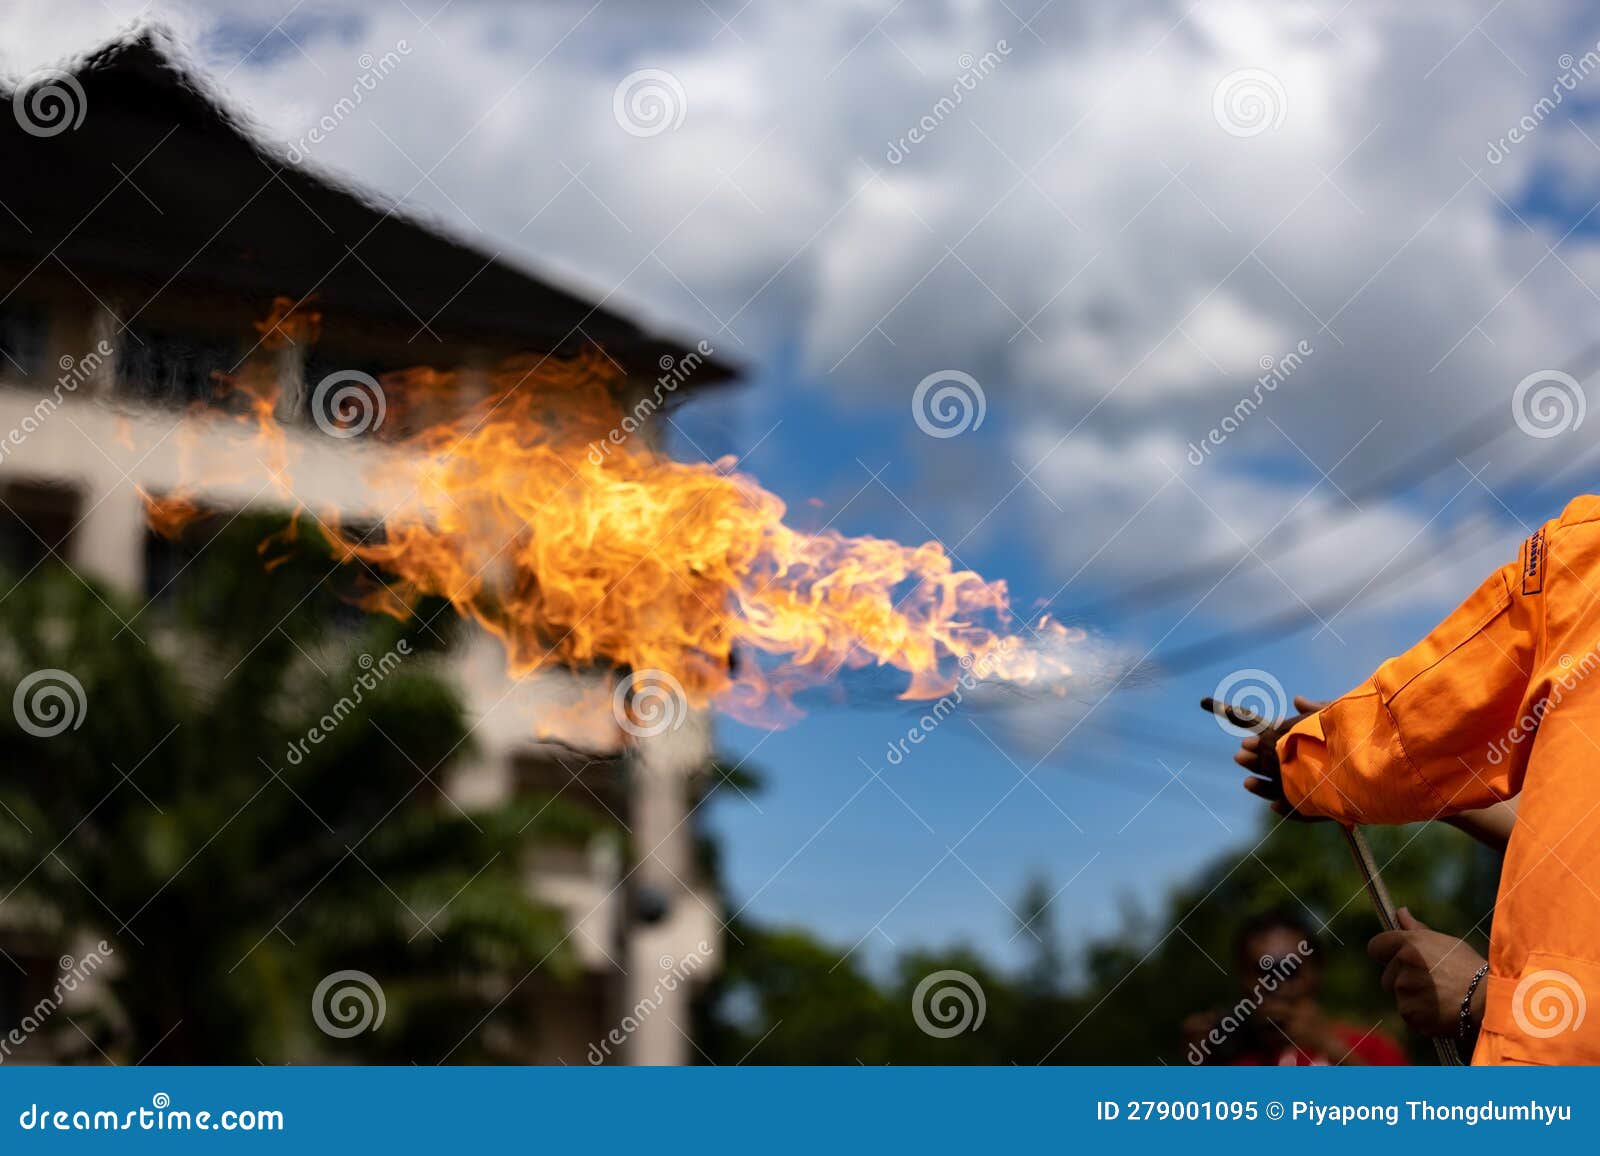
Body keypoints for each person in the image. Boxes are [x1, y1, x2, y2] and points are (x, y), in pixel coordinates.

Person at [1233, 496, 1600, 1064]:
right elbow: (1571, 850)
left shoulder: (1585, 560)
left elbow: (1433, 717)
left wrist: (1482, 998)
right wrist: (1337, 761)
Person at [1183, 909, 1405, 1066]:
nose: (1276, 985)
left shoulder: (1373, 1049)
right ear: (1242, 978)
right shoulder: (1226, 1057)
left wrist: (1335, 1052)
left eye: (1289, 970)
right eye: (1262, 972)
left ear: (1316, 972)